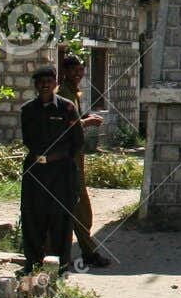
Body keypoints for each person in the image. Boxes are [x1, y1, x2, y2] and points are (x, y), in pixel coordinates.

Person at [18, 65, 84, 274]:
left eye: (49, 81)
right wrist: (43, 157)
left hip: (62, 173)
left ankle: (61, 266)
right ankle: (33, 264)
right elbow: (29, 140)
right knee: (33, 217)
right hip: (36, 173)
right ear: (36, 85)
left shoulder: (67, 109)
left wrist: (59, 157)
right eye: (40, 81)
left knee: (61, 219)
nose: (45, 85)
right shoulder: (28, 110)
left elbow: (77, 141)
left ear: (55, 83)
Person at [59, 53, 111, 268]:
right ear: (66, 71)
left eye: (81, 70)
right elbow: (64, 127)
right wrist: (86, 122)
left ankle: (74, 252)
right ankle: (88, 252)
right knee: (78, 206)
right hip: (66, 158)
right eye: (74, 70)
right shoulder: (62, 94)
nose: (78, 74)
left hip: (75, 156)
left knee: (75, 206)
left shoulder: (73, 93)